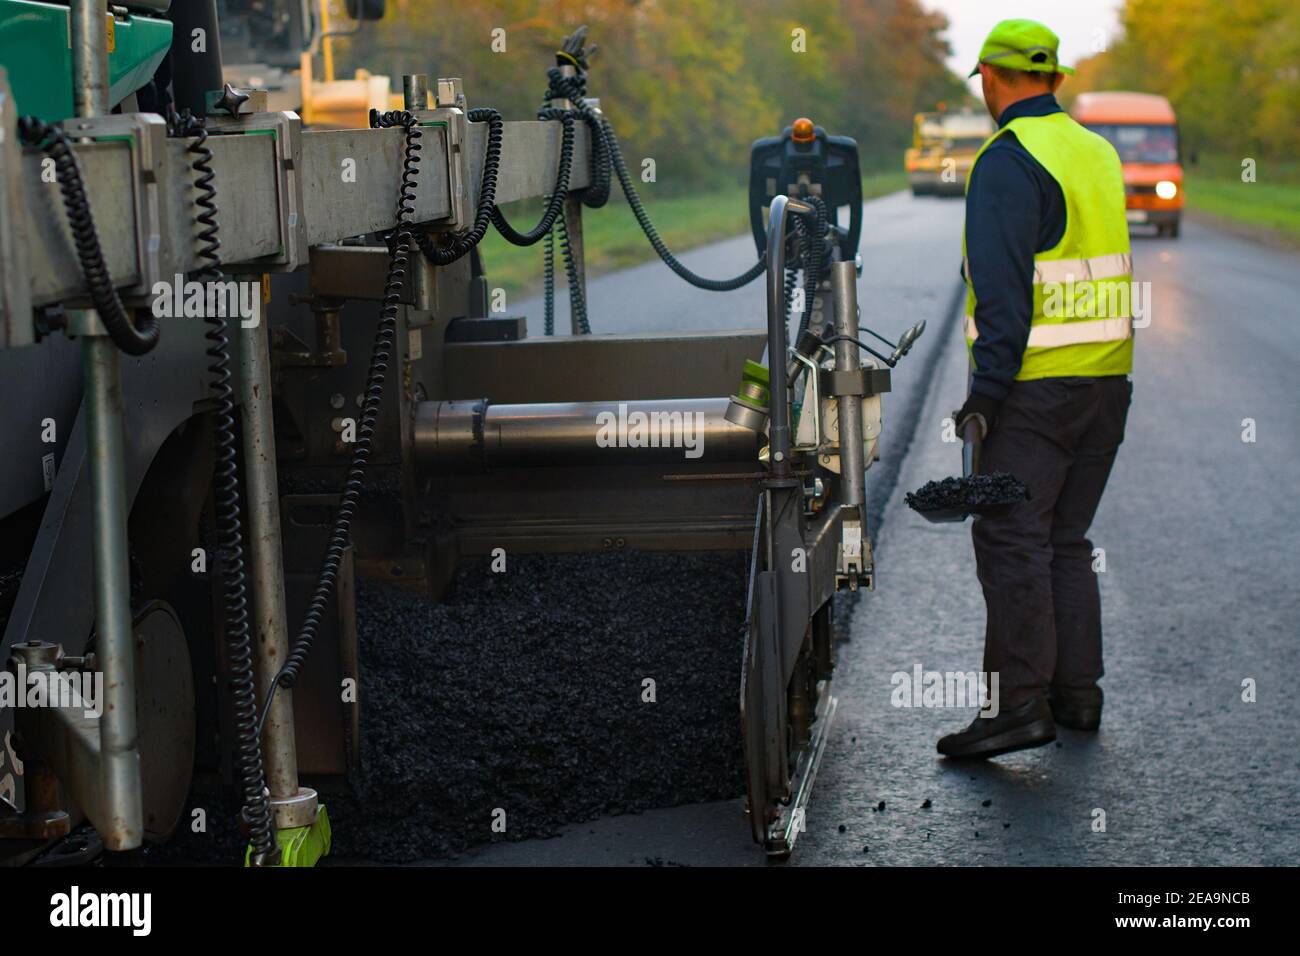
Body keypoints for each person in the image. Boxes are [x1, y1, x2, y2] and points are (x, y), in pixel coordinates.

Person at [937, 19, 1134, 759]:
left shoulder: (1007, 160)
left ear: (990, 75)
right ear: (1053, 78)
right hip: (1108, 384)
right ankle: (1076, 695)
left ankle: (1017, 705)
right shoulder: (1097, 151)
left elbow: (1004, 295)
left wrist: (985, 395)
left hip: (1035, 393)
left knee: (1011, 538)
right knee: (1065, 540)